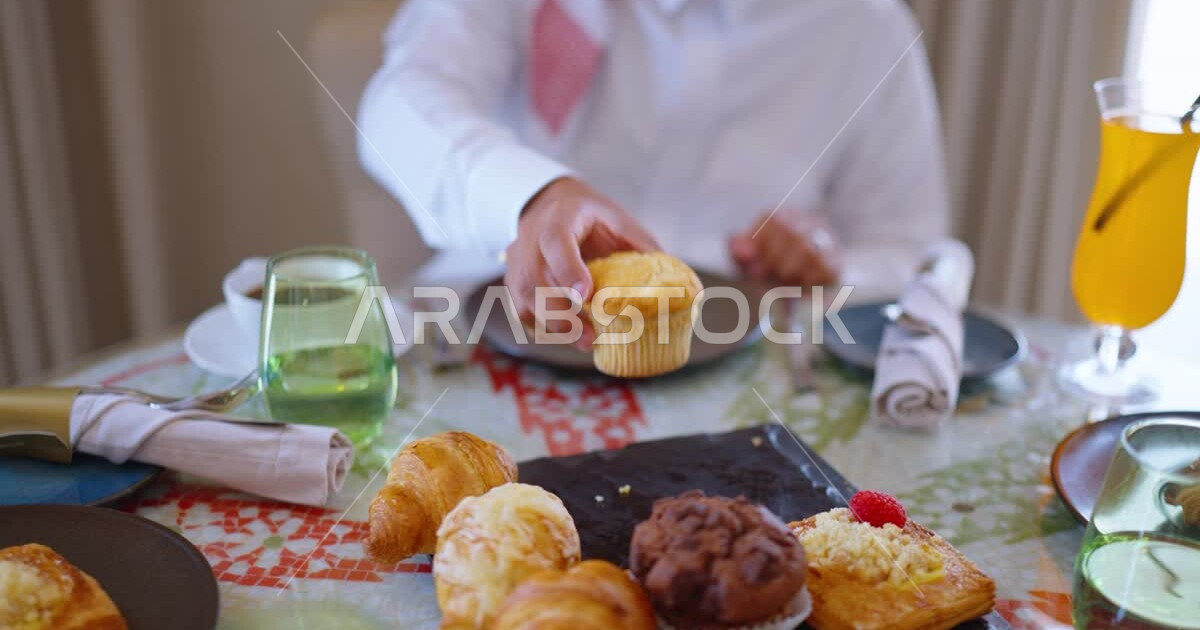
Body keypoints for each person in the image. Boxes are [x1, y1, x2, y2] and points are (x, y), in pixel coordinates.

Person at [359, 0, 948, 345]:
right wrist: (534, 195)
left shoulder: (869, 26)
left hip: (752, 370)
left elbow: (909, 253)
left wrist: (828, 266)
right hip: (481, 330)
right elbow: (397, 105)